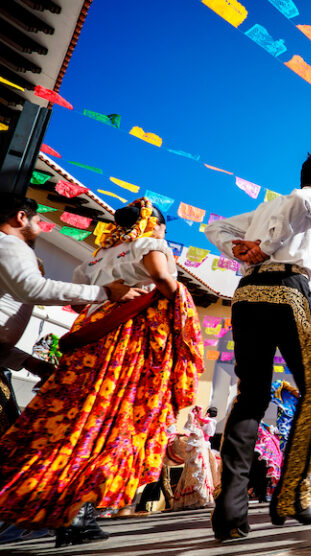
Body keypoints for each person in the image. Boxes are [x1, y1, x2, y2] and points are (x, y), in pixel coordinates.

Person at [0, 198, 202, 546]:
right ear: (150, 224)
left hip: (90, 339)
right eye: (162, 227)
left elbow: (78, 303)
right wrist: (174, 296)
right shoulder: (151, 244)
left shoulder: (96, 256)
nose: (163, 233)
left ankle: (70, 509)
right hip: (130, 339)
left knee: (74, 422)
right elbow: (161, 278)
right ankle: (78, 510)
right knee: (120, 421)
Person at [207, 153, 311, 538]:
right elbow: (302, 202)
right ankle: (294, 495)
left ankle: (230, 514)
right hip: (287, 291)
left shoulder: (265, 207)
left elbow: (215, 227)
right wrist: (267, 247)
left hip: (247, 295)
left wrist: (239, 250)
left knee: (251, 398)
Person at [0, 194, 139, 435]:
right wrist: (105, 291)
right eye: (38, 223)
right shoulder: (10, 243)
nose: (40, 231)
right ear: (21, 217)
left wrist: (30, 363)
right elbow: (34, 289)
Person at [170, 406, 220, 510]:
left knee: (196, 472)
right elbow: (206, 432)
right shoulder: (207, 421)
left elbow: (194, 429)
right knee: (202, 472)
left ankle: (196, 498)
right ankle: (201, 498)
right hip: (200, 449)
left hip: (198, 448)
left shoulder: (205, 421)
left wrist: (198, 416)